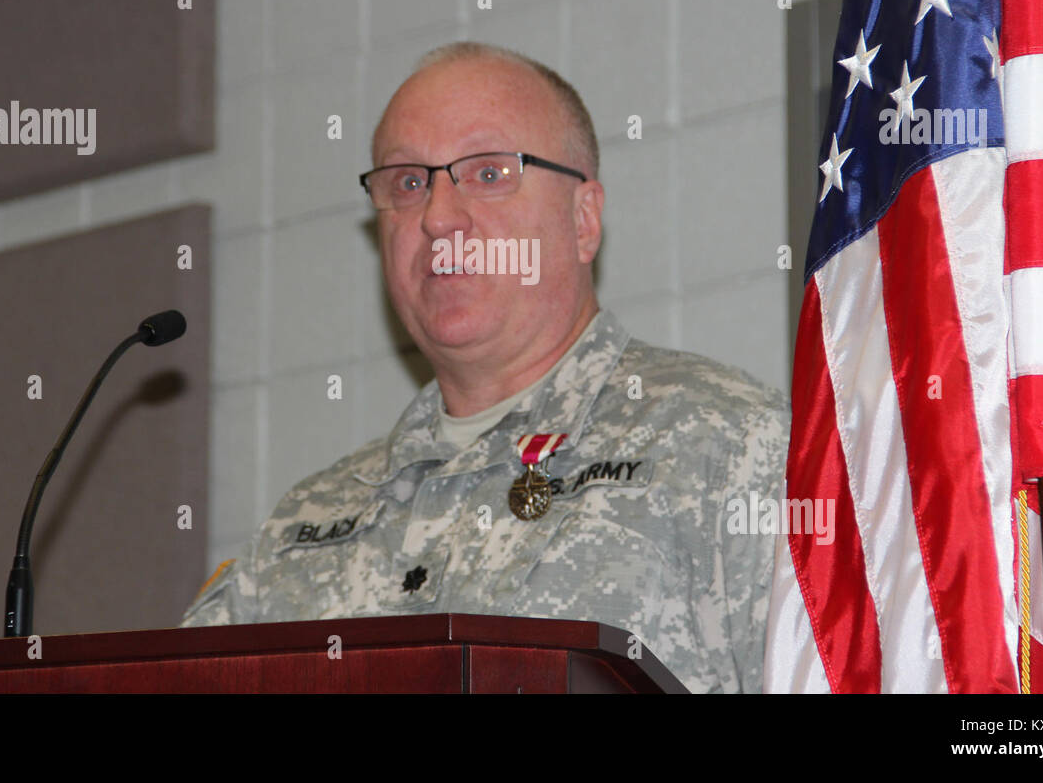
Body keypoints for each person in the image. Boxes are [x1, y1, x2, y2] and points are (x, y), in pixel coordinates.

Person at [181, 41, 790, 693]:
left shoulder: (727, 446)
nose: (439, 217)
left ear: (584, 221)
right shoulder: (298, 528)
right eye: (408, 183)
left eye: (490, 173)